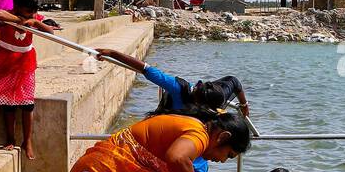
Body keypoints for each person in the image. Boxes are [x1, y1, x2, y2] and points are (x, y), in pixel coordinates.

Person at [0, 0, 61, 158]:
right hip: (5, 60)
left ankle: (28, 141)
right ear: (17, 7)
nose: (32, 14)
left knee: (27, 104)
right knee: (8, 104)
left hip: (25, 62)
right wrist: (19, 20)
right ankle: (10, 138)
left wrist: (34, 22)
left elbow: (51, 31)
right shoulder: (8, 16)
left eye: (34, 12)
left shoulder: (34, 18)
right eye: (28, 11)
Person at [69, 110, 252, 172]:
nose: (222, 161)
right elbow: (177, 158)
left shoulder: (193, 125)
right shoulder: (200, 135)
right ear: (223, 137)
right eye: (228, 155)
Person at [92, 47, 250, 117]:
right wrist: (112, 53)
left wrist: (244, 106)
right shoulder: (177, 88)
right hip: (169, 120)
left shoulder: (218, 97)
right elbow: (145, 68)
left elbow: (234, 82)